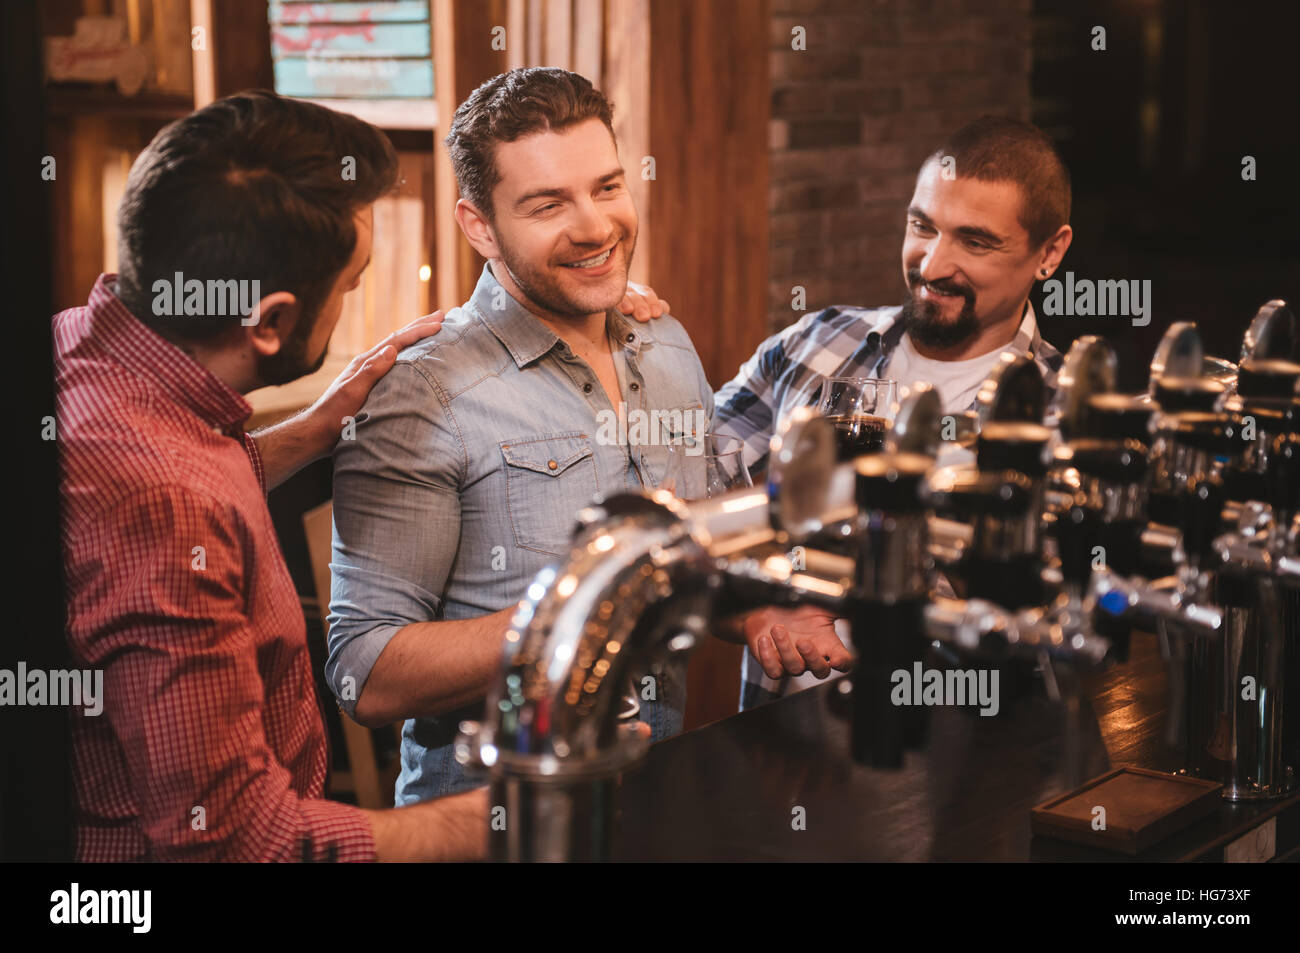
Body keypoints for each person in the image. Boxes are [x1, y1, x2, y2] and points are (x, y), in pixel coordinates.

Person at [57, 90, 540, 861]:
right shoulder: (162, 511)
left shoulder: (84, 346)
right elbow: (239, 843)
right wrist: (506, 816)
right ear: (272, 322)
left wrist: (312, 433)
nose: (352, 302)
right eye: (351, 285)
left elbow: (177, 468)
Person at [326, 67, 742, 803]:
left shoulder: (669, 345)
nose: (595, 226)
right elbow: (366, 669)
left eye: (608, 187)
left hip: (652, 801)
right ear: (479, 224)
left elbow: (693, 571)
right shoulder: (425, 392)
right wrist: (583, 606)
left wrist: (766, 604)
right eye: (549, 204)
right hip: (490, 827)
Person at [712, 116, 1074, 709]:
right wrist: (757, 614)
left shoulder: (1062, 417)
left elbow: (1048, 634)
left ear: (1049, 252)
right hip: (781, 758)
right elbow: (691, 495)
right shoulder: (817, 342)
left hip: (957, 766)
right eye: (921, 227)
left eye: (974, 242)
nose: (932, 266)